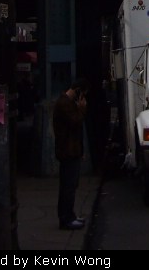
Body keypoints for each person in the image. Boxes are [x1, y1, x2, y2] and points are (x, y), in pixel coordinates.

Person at [52, 78, 88, 230]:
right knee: (68, 186)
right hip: (68, 151)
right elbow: (76, 122)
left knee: (70, 185)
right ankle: (66, 217)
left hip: (71, 150)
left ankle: (69, 215)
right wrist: (81, 109)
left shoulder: (66, 103)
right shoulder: (65, 104)